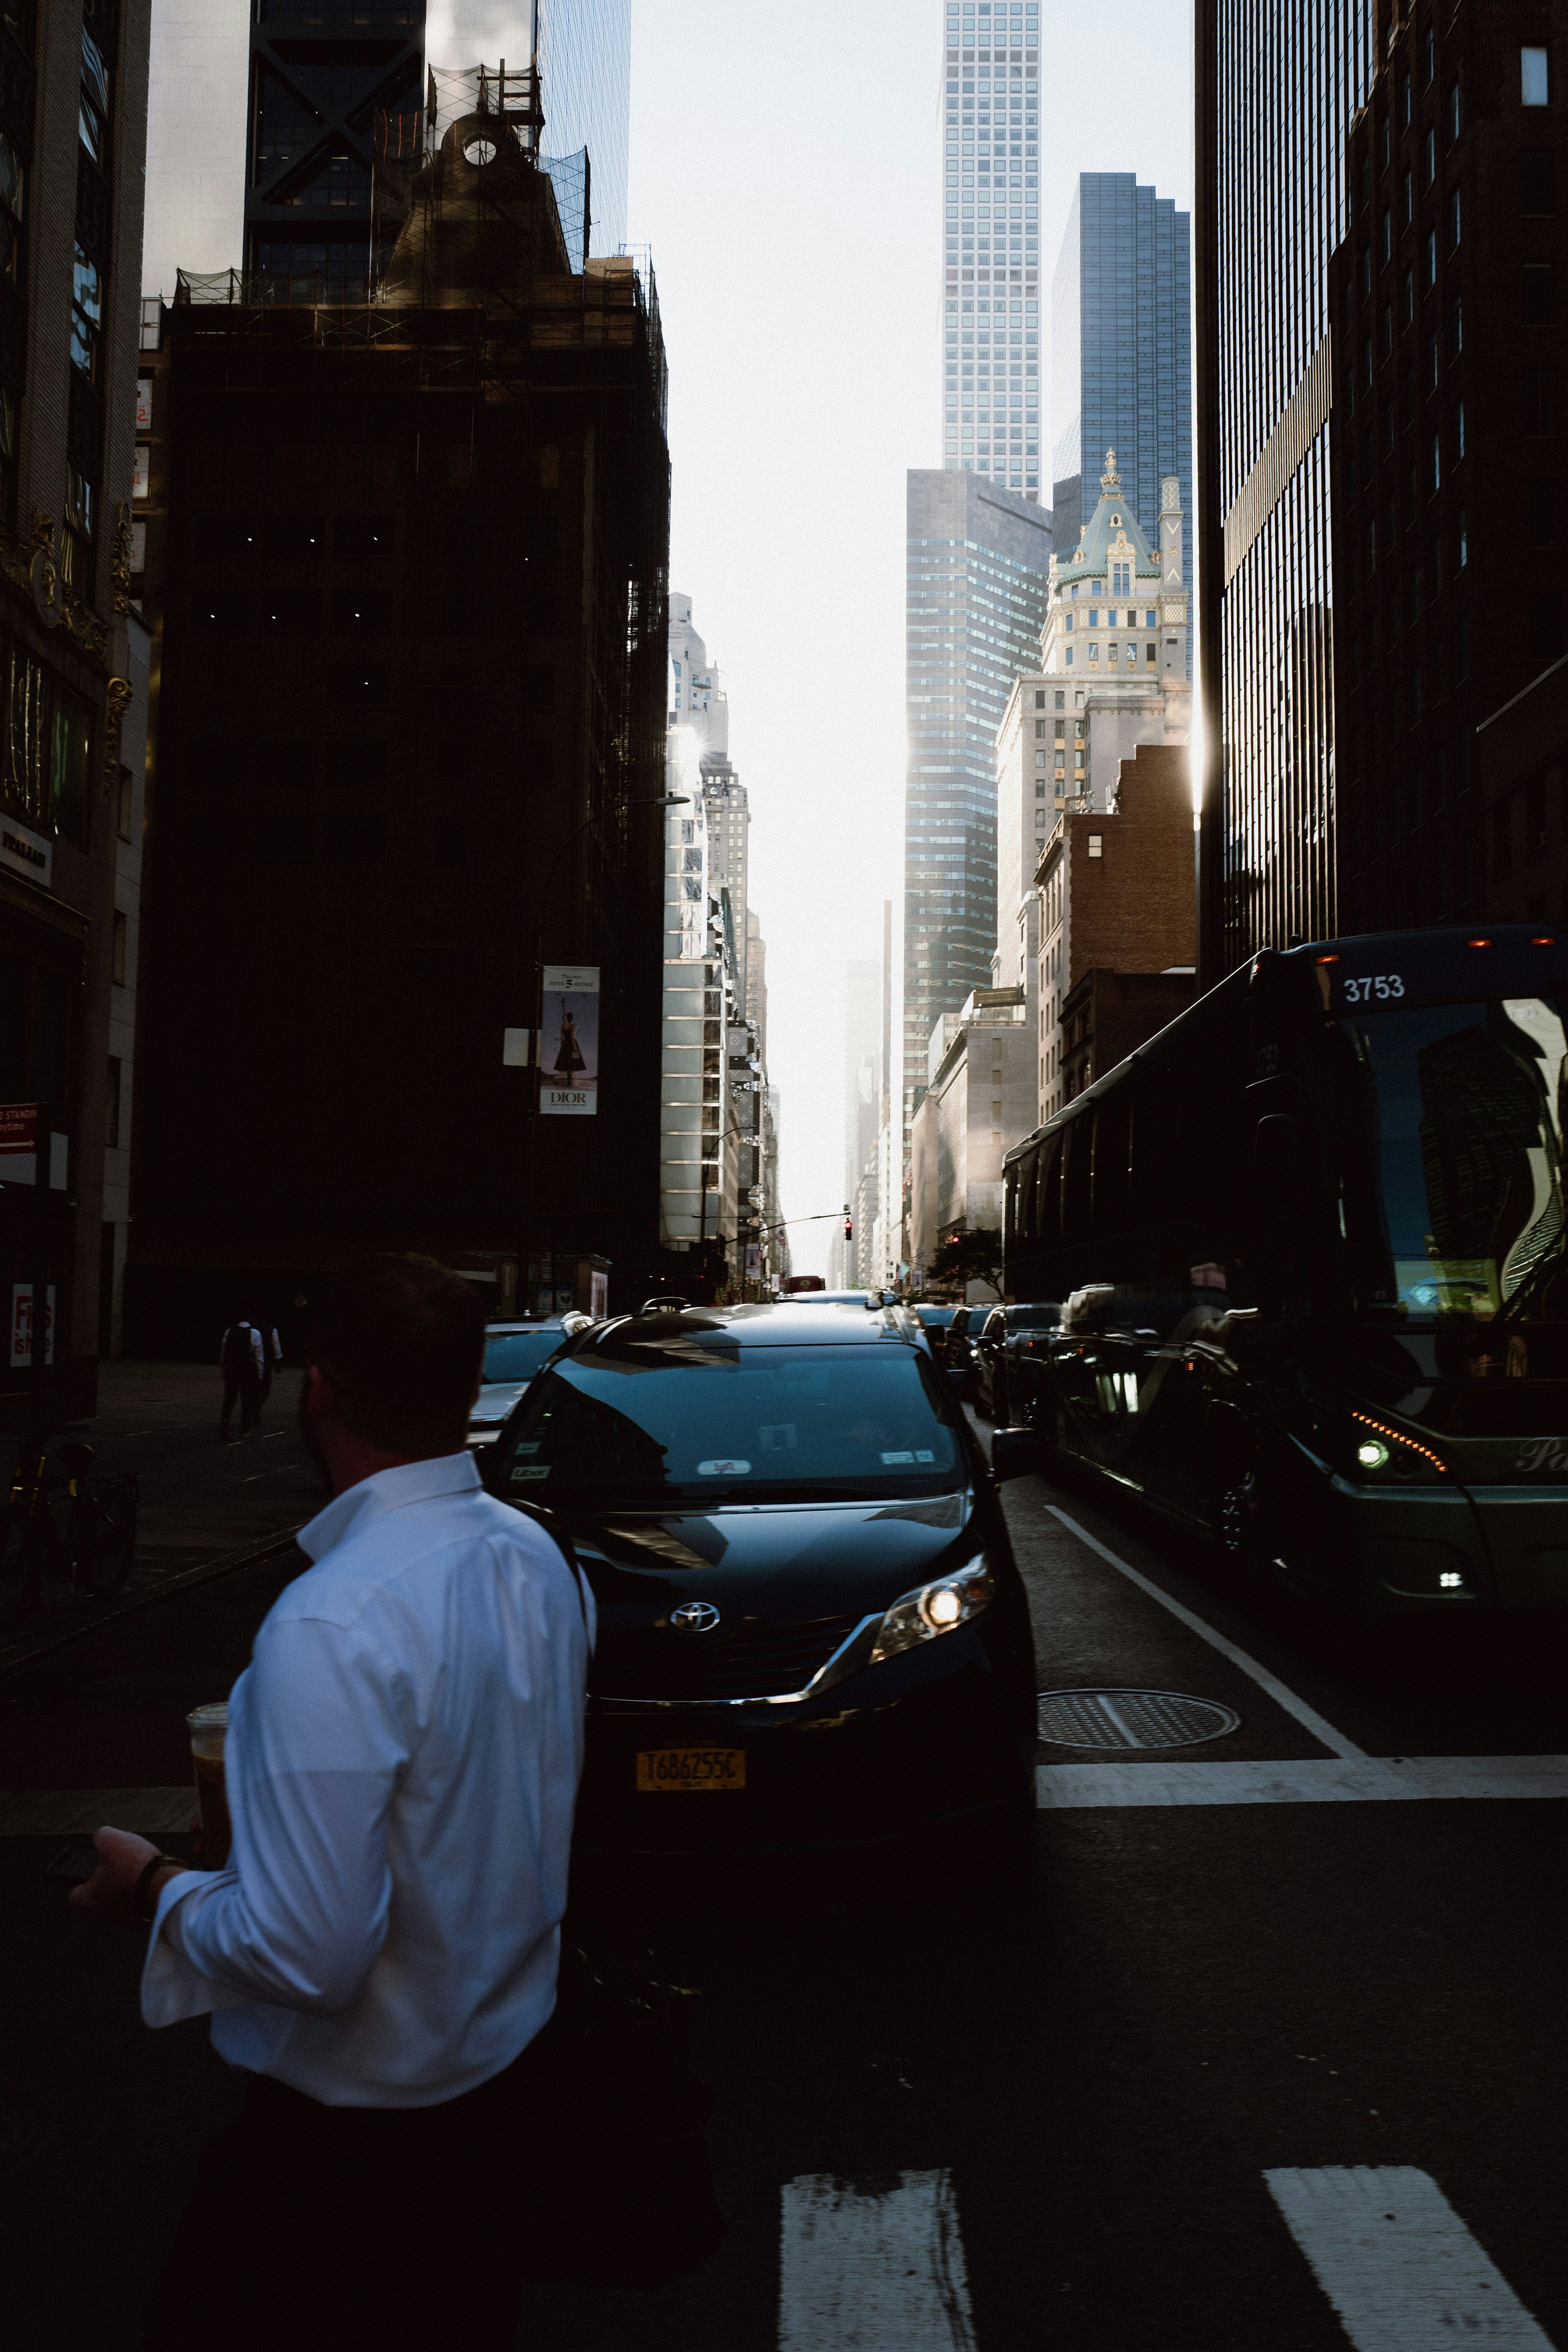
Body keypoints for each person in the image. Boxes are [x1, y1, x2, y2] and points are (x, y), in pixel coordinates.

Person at [71, 1255, 594, 2349]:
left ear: (317, 1387)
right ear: (464, 1389)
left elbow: (311, 1956)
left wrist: (155, 1886)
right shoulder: (537, 1558)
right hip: (505, 2091)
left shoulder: (332, 1620)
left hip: (349, 2156)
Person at [217, 1315, 264, 1439]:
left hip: (232, 1368)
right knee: (247, 1399)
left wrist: (224, 1367)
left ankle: (225, 1425)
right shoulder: (254, 1333)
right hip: (247, 1370)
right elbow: (258, 1357)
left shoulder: (230, 1331)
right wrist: (260, 1374)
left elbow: (224, 1351)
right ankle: (245, 1429)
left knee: (229, 1398)